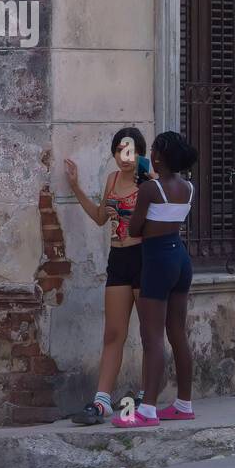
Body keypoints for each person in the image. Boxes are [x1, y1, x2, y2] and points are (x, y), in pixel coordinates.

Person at [112, 131, 198, 428]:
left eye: (154, 151)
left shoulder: (150, 189)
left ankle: (147, 410)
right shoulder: (188, 188)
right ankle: (184, 404)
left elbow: (135, 229)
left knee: (152, 337)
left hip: (157, 259)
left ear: (158, 158)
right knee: (177, 333)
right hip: (180, 258)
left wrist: (143, 193)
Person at [64, 128, 149, 425]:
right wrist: (75, 187)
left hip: (144, 258)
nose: (124, 157)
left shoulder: (149, 182)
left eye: (131, 151)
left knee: (149, 333)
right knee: (114, 332)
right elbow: (101, 218)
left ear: (140, 153)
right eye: (119, 151)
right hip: (118, 258)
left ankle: (145, 396)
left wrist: (148, 172)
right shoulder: (112, 180)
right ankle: (102, 401)